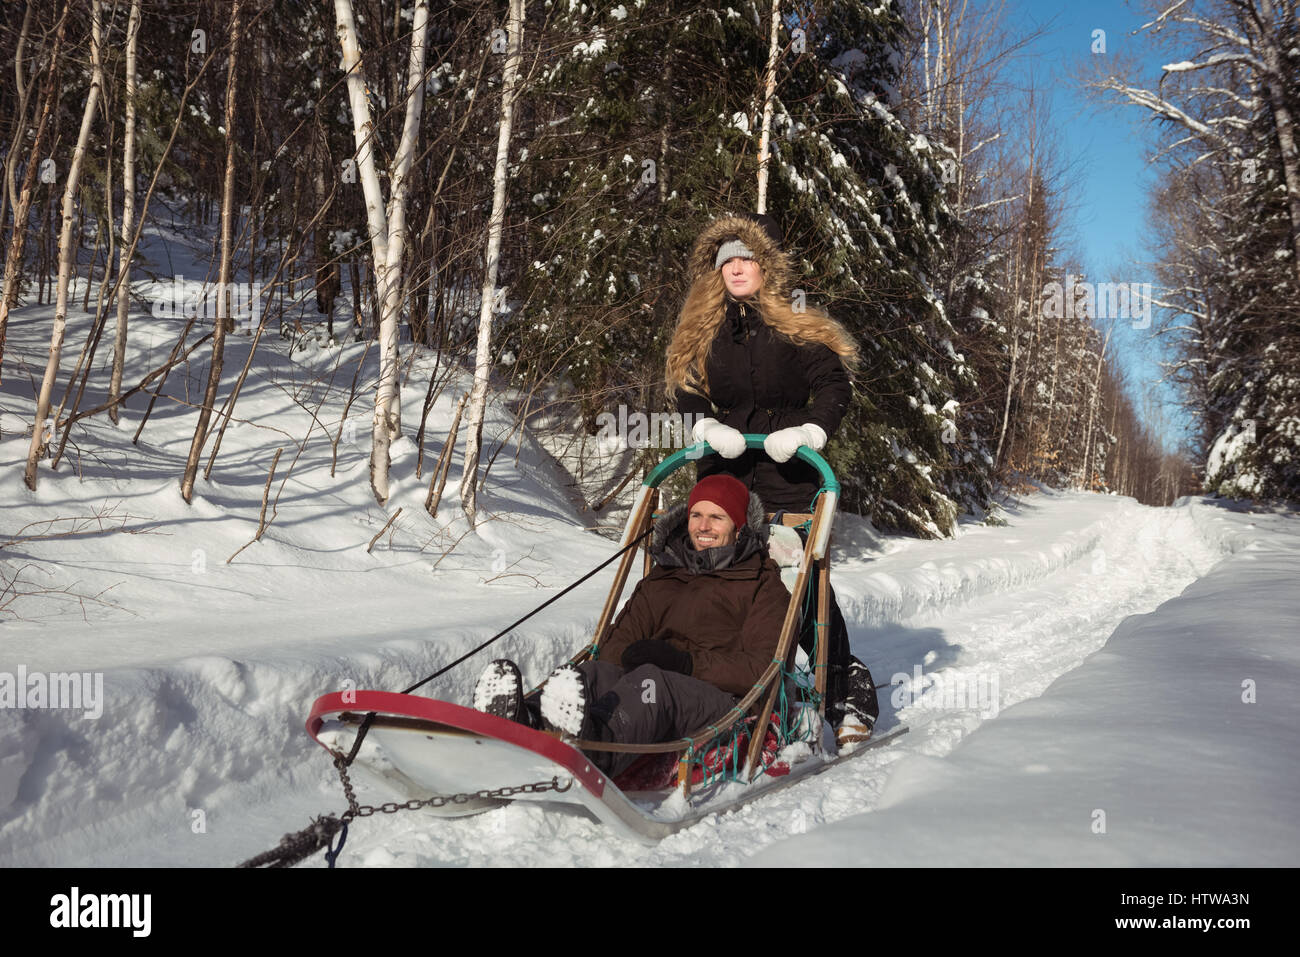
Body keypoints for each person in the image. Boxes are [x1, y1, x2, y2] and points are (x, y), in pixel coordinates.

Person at [664, 211, 879, 746]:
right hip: (725, 471)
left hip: (787, 474)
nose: (735, 268)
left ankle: (841, 691)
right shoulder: (703, 328)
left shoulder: (796, 323)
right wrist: (705, 423)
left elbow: (833, 385)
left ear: (768, 266)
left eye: (745, 258)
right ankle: (713, 684)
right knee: (713, 577)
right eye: (725, 260)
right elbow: (684, 385)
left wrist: (810, 430)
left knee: (797, 585)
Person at [472, 474, 791, 780]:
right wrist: (624, 662)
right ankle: (523, 721)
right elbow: (622, 638)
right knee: (594, 673)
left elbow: (760, 668)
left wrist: (685, 663)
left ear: (740, 528)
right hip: (656, 685)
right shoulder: (665, 574)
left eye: (717, 517)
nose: (703, 526)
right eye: (696, 515)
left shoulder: (762, 584)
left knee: (651, 683)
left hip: (723, 701)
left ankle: (594, 752)